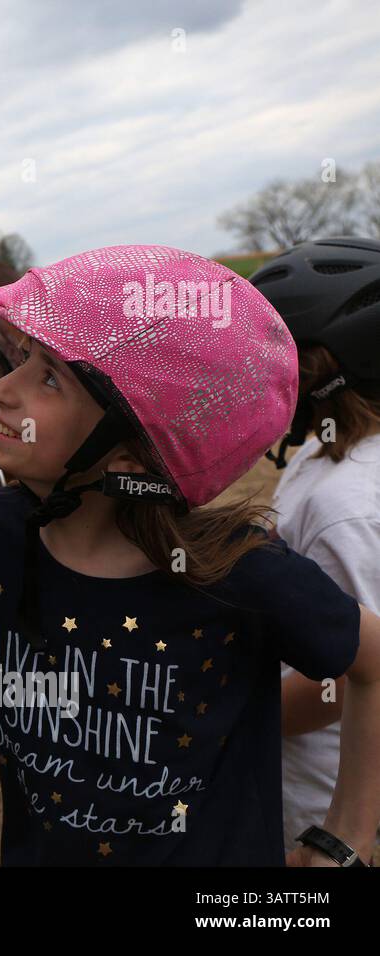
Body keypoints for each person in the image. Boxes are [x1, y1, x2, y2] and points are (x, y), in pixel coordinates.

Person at [0, 245, 380, 865]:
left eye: (48, 379)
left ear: (131, 455)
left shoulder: (237, 571)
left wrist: (346, 838)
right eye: (24, 361)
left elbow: (375, 665)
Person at [251, 237, 380, 855]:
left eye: (279, 356)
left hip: (314, 791)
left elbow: (339, 679)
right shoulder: (322, 452)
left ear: (328, 365)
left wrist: (216, 715)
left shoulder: (344, 505)